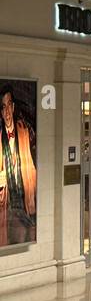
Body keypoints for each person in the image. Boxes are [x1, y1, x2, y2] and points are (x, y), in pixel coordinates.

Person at [0, 84, 37, 246]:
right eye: (3, 107)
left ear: (13, 107)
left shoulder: (23, 130)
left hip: (25, 197)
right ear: (0, 112)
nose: (7, 112)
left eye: (9, 105)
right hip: (7, 200)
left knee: (27, 235)